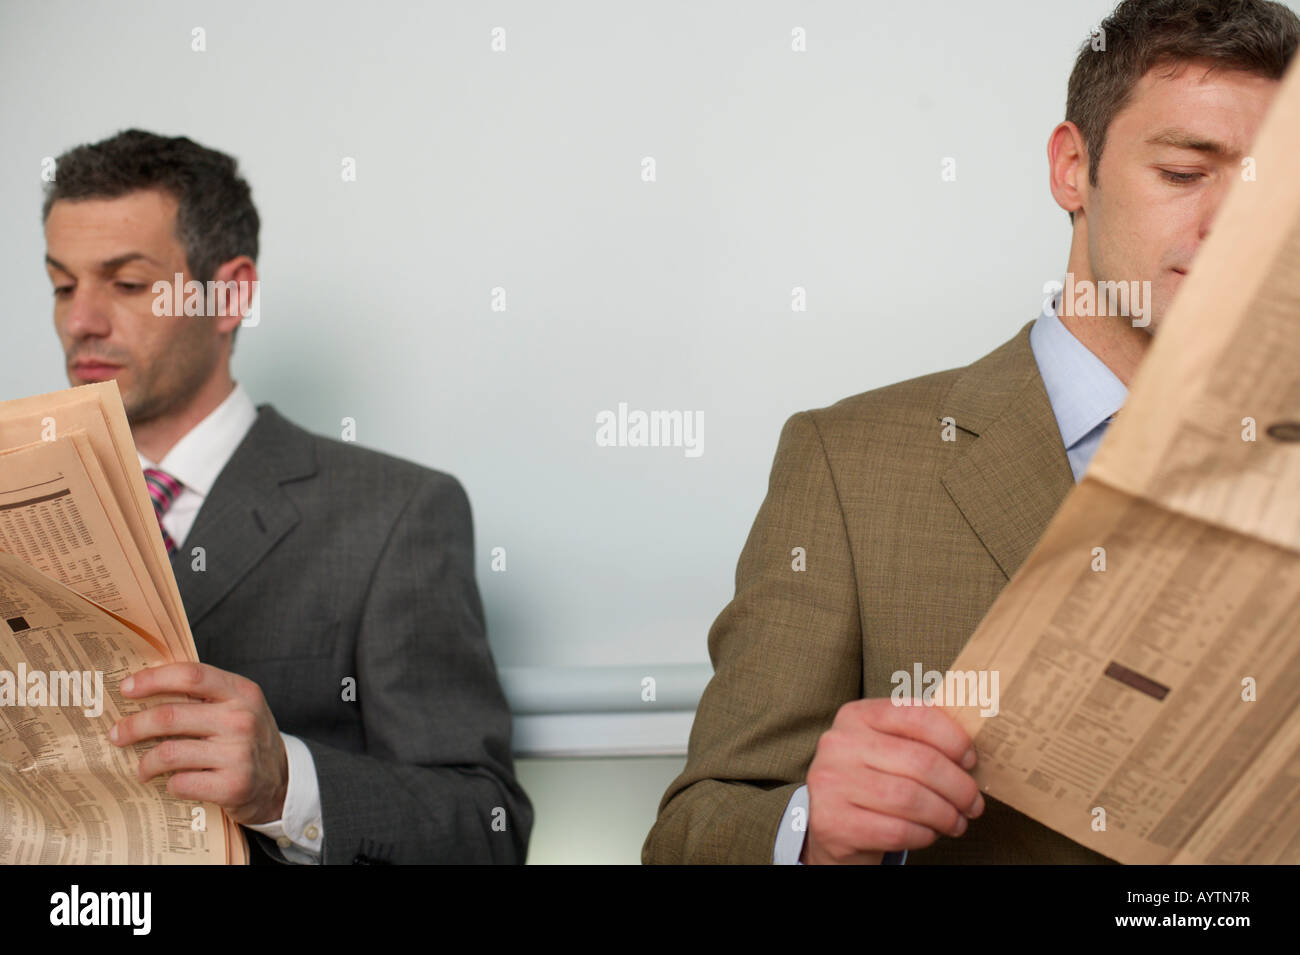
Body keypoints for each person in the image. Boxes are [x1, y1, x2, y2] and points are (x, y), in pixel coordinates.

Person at [643, 0, 1299, 865]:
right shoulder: (850, 465)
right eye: (1184, 172)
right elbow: (691, 836)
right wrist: (810, 829)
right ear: (1074, 168)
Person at [42, 129, 532, 864]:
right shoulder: (34, 514)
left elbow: (485, 828)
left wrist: (287, 788)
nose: (81, 320)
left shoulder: (392, 515)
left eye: (128, 283)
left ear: (231, 295)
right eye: (62, 284)